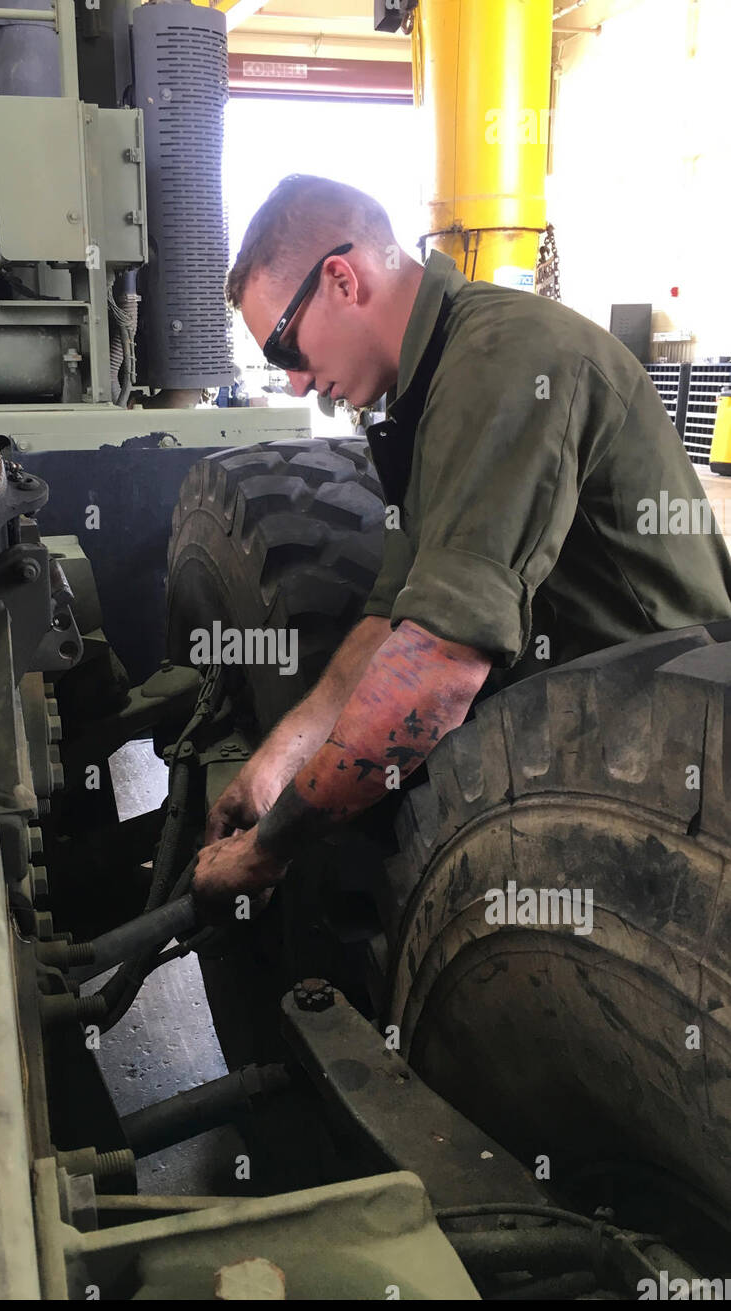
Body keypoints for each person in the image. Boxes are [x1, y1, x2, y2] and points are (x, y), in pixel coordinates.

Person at [192, 174, 731, 907]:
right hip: (577, 724)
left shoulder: (503, 362)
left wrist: (270, 847)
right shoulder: (437, 381)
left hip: (669, 762)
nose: (294, 385)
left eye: (287, 347)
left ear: (342, 281)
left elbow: (435, 674)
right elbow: (389, 626)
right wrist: (275, 765)